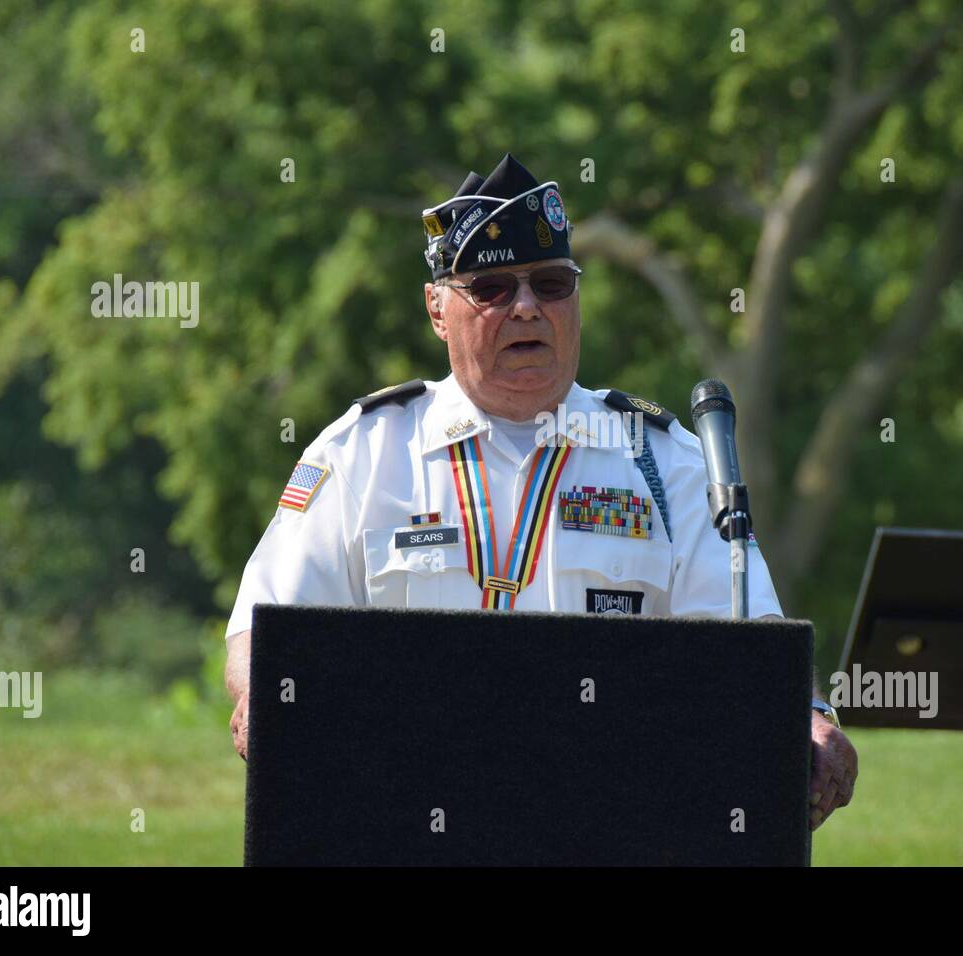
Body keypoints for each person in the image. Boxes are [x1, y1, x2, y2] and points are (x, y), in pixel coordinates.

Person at [223, 153, 857, 831]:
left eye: (551, 284)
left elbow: (753, 639)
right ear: (438, 308)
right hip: (400, 827)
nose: (526, 306)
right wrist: (263, 698)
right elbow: (266, 631)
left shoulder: (660, 459)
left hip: (614, 830)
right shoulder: (364, 455)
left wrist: (809, 719)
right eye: (492, 288)